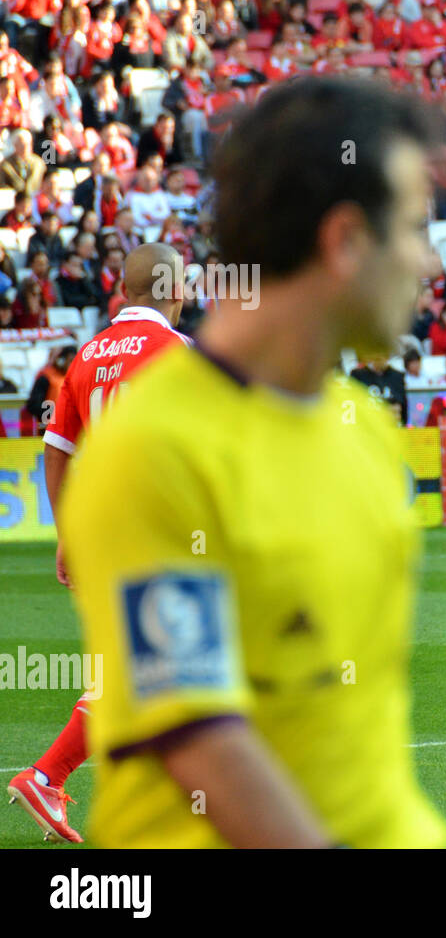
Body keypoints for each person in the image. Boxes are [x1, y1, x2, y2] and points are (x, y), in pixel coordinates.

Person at [56, 78, 446, 849]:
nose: (430, 262)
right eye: (412, 228)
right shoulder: (154, 447)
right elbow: (199, 738)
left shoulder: (363, 429)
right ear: (343, 241)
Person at [7, 246, 191, 847]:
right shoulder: (177, 353)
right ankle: (47, 774)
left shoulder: (87, 356)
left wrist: (68, 534)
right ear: (171, 289)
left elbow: (55, 449)